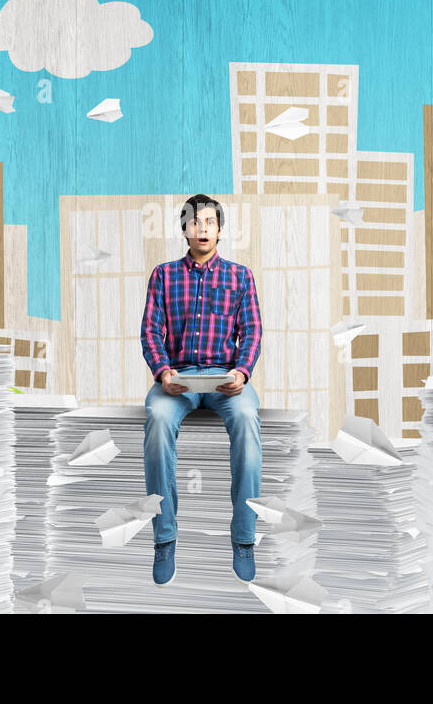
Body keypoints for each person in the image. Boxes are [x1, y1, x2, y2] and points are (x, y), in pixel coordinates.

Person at [140, 194, 263, 586]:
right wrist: (162, 373)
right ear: (184, 229)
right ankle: (165, 536)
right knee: (158, 418)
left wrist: (242, 372)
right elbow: (149, 331)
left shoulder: (240, 276)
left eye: (210, 222)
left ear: (221, 230)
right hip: (177, 377)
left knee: (246, 417)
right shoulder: (163, 275)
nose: (203, 228)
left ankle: (244, 537)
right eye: (195, 222)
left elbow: (253, 331)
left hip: (227, 378)